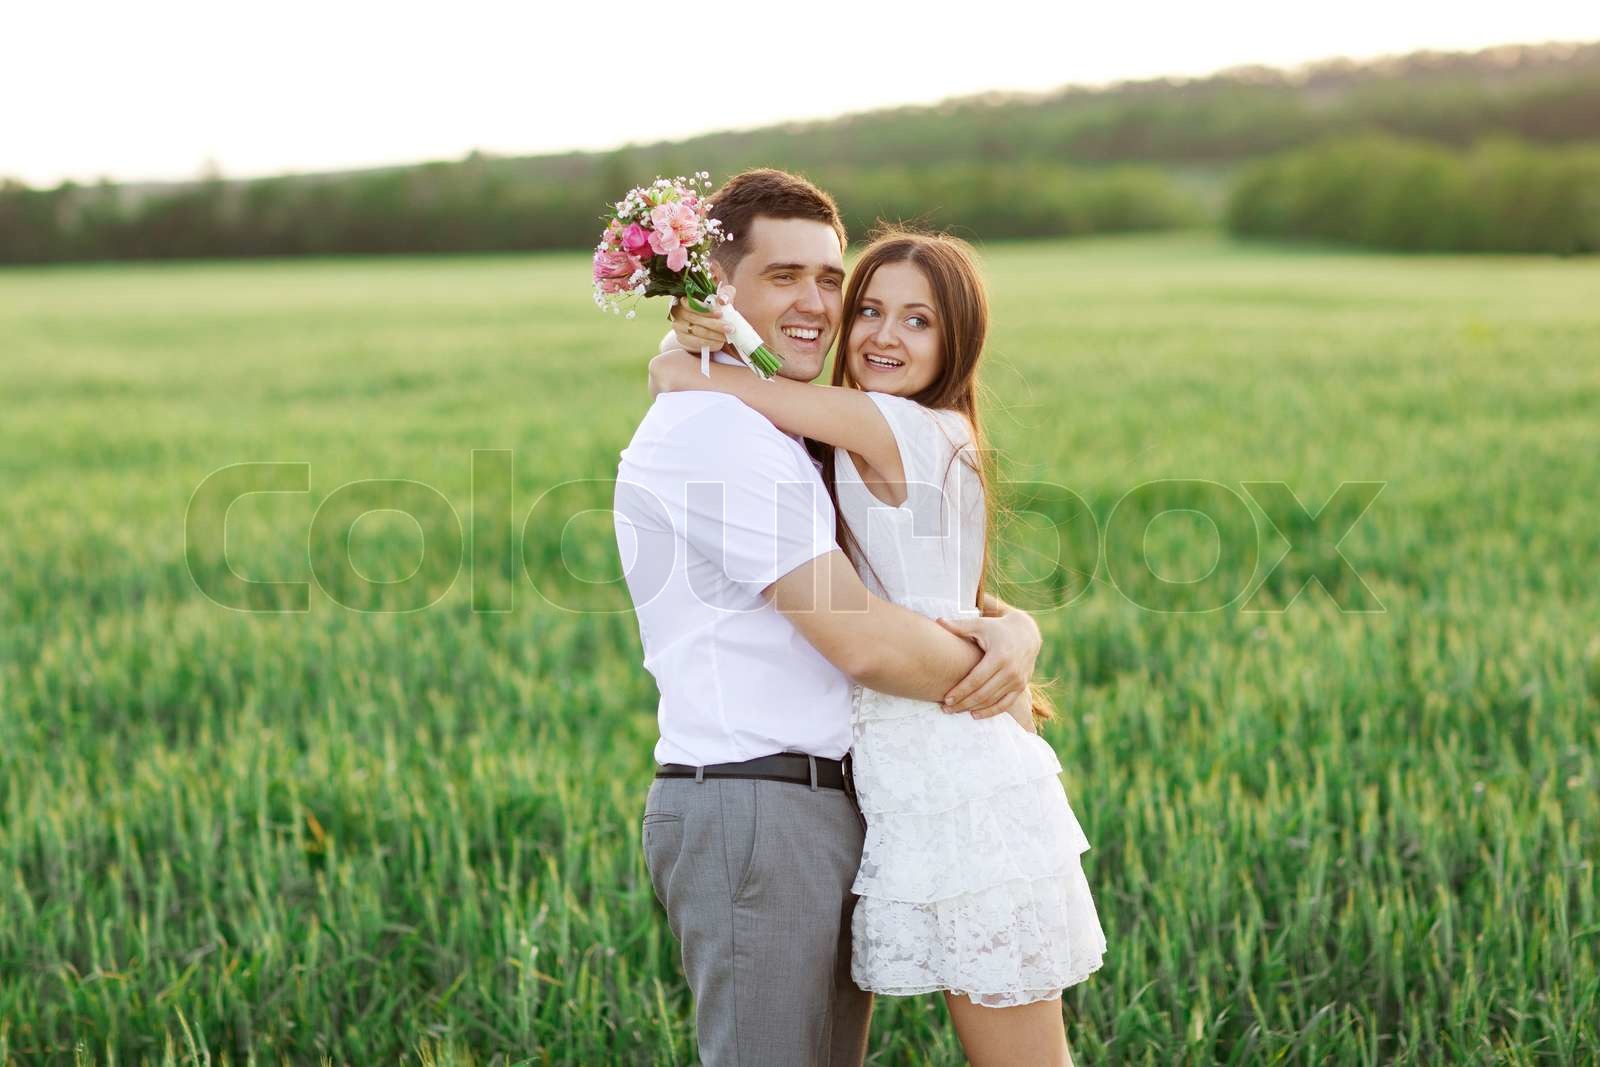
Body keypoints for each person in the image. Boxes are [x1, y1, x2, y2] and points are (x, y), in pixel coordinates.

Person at [612, 169, 1048, 1067]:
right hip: (760, 807)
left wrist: (1015, 632)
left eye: (828, 279)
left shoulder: (814, 431)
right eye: (784, 278)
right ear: (715, 288)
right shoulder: (715, 429)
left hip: (852, 796)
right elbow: (858, 633)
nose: (818, 303)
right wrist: (997, 679)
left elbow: (917, 588)